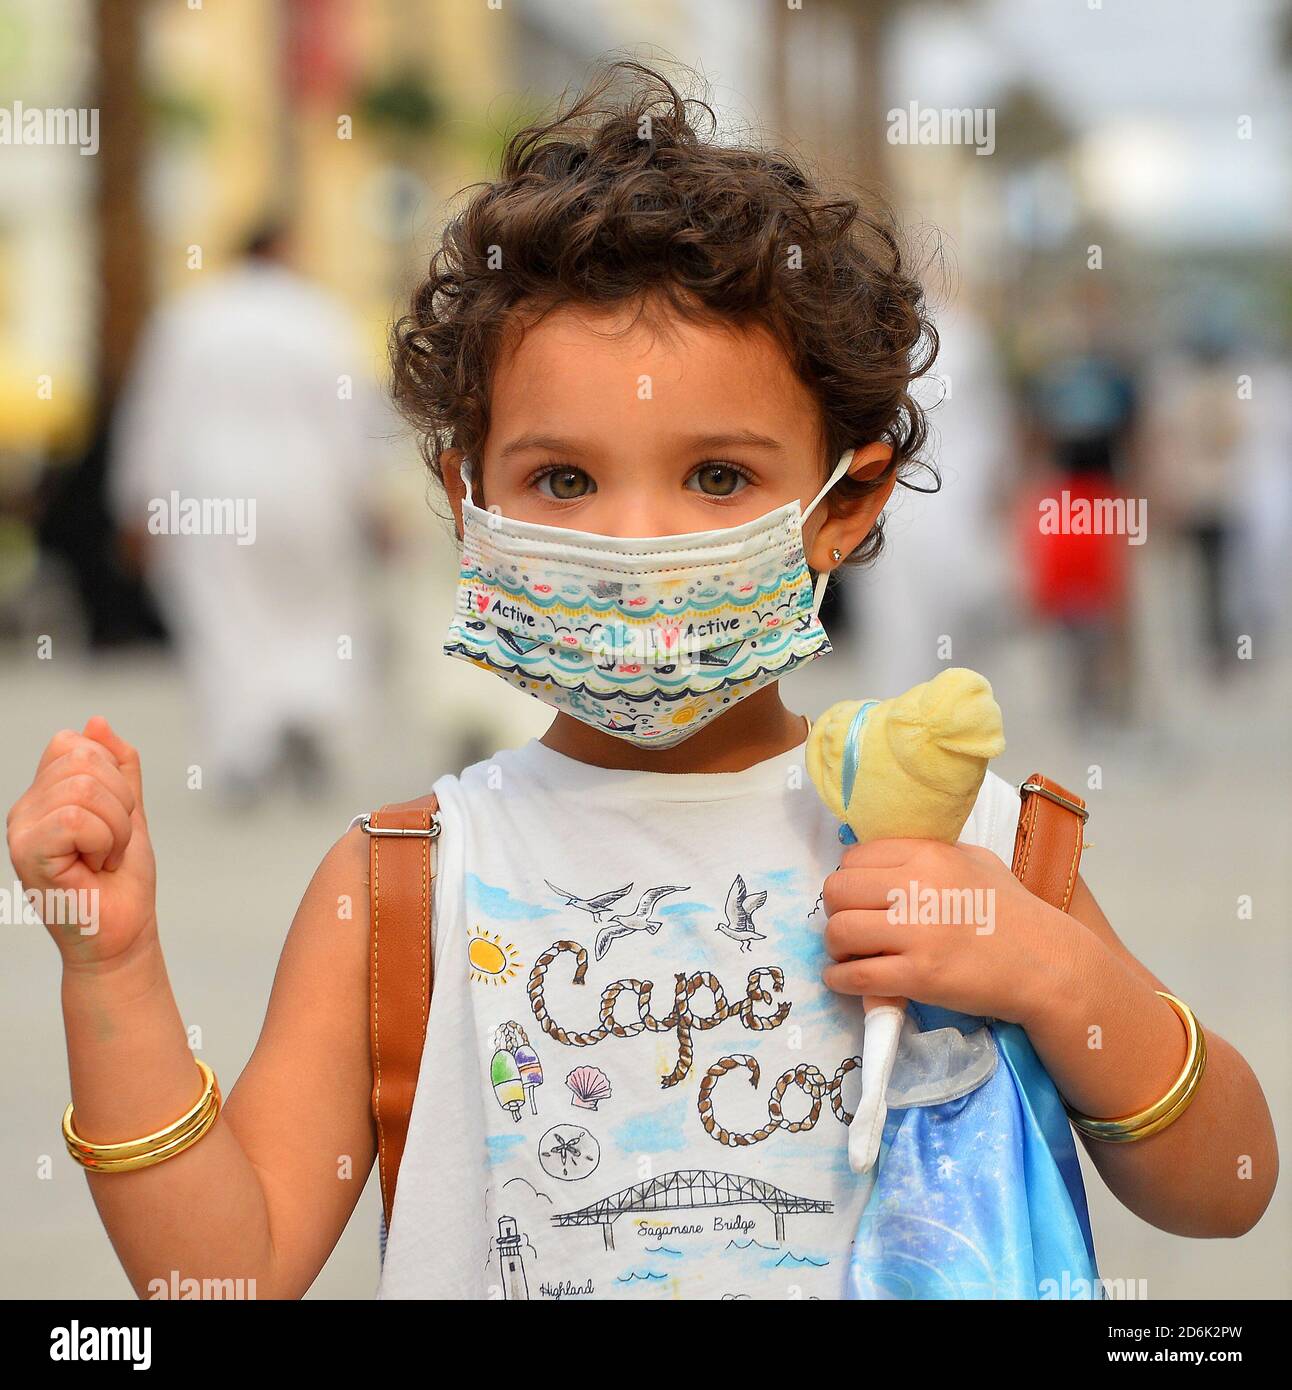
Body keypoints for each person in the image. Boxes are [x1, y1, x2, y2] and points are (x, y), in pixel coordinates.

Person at [7, 64, 1276, 1301]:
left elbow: (1225, 1183)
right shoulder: (401, 886)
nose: (633, 542)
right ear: (469, 502)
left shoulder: (970, 842)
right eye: (563, 479)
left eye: (717, 476)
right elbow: (226, 1271)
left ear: (849, 501)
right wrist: (110, 972)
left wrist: (1051, 974)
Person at [108, 222, 379, 802]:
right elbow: (352, 418)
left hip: (213, 495)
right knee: (317, 609)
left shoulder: (190, 319)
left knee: (225, 616)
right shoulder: (319, 318)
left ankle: (245, 743)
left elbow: (153, 417)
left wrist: (139, 504)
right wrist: (368, 497)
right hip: (310, 491)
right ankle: (309, 711)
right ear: (282, 251)